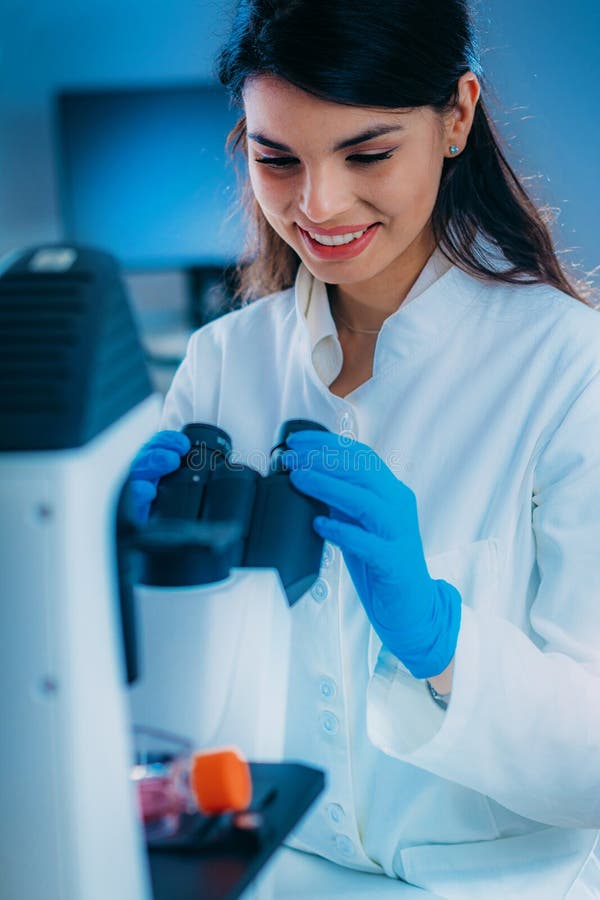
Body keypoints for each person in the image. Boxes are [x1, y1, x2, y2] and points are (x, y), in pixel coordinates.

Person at [129, 1, 600, 896]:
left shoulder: (571, 368)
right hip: (276, 871)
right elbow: (170, 729)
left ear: (456, 117)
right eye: (278, 159)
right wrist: (119, 590)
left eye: (367, 153)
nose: (319, 205)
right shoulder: (222, 363)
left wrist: (438, 637)